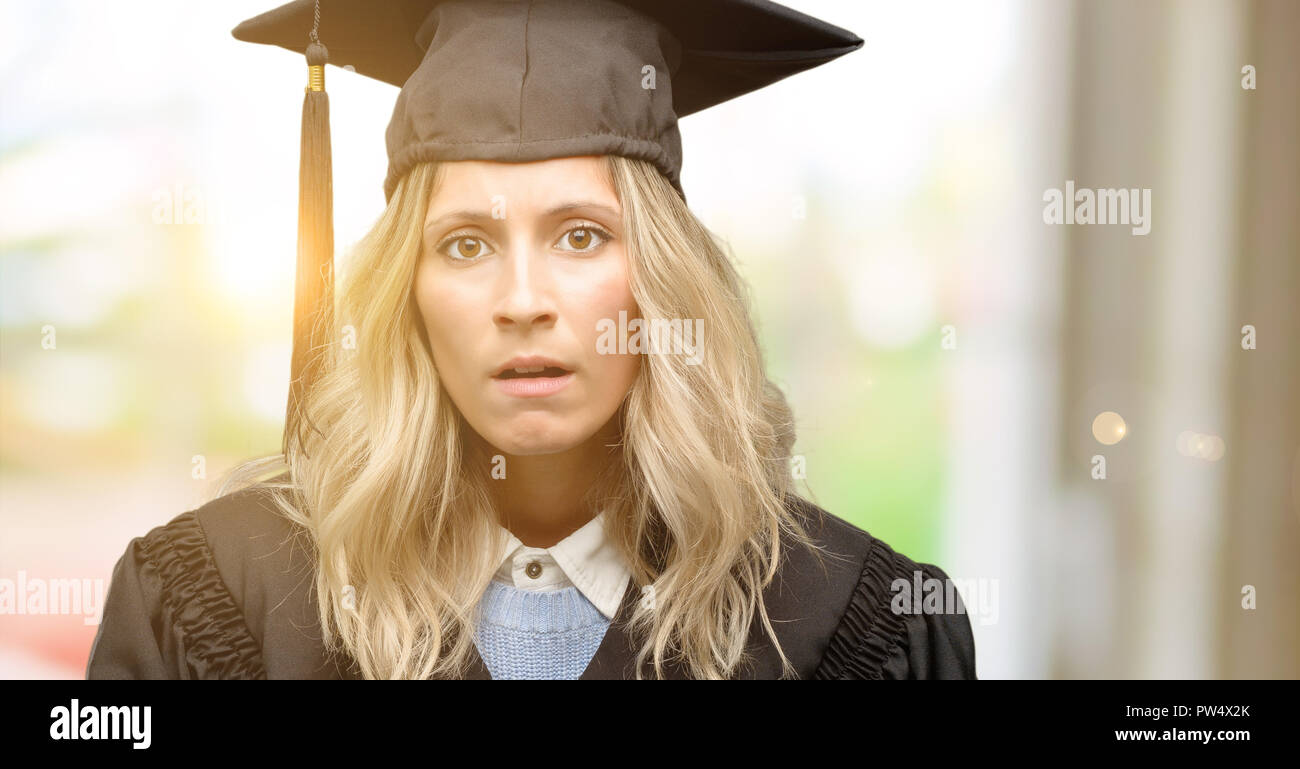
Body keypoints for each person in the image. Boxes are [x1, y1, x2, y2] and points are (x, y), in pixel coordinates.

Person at [86, 0, 977, 680]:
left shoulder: (849, 624)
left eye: (582, 235)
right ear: (408, 292)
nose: (522, 300)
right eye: (465, 243)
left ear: (664, 277)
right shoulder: (220, 598)